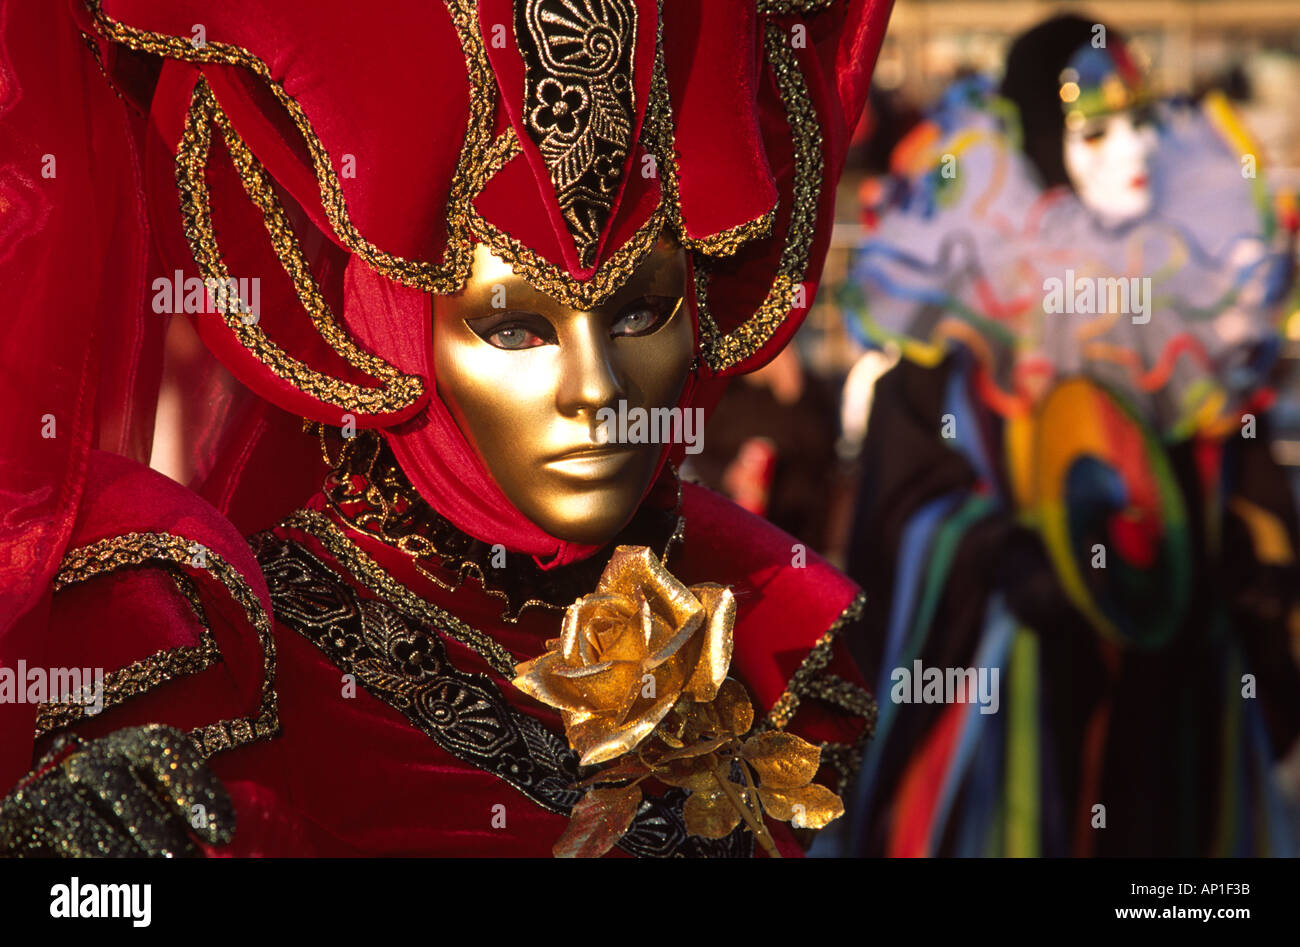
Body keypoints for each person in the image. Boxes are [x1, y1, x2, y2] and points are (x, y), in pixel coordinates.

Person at [0, 0, 892, 857]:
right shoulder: (222, 659)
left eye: (639, 313)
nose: (597, 391)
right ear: (392, 330)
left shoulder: (764, 628)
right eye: (516, 328)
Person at [829, 13, 1300, 856]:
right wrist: (994, 556)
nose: (1135, 151)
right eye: (1097, 130)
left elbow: (1238, 471)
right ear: (1043, 139)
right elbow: (902, 507)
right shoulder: (964, 318)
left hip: (1167, 704)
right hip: (1013, 710)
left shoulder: (1187, 304)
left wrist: (1240, 556)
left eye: (1142, 121)